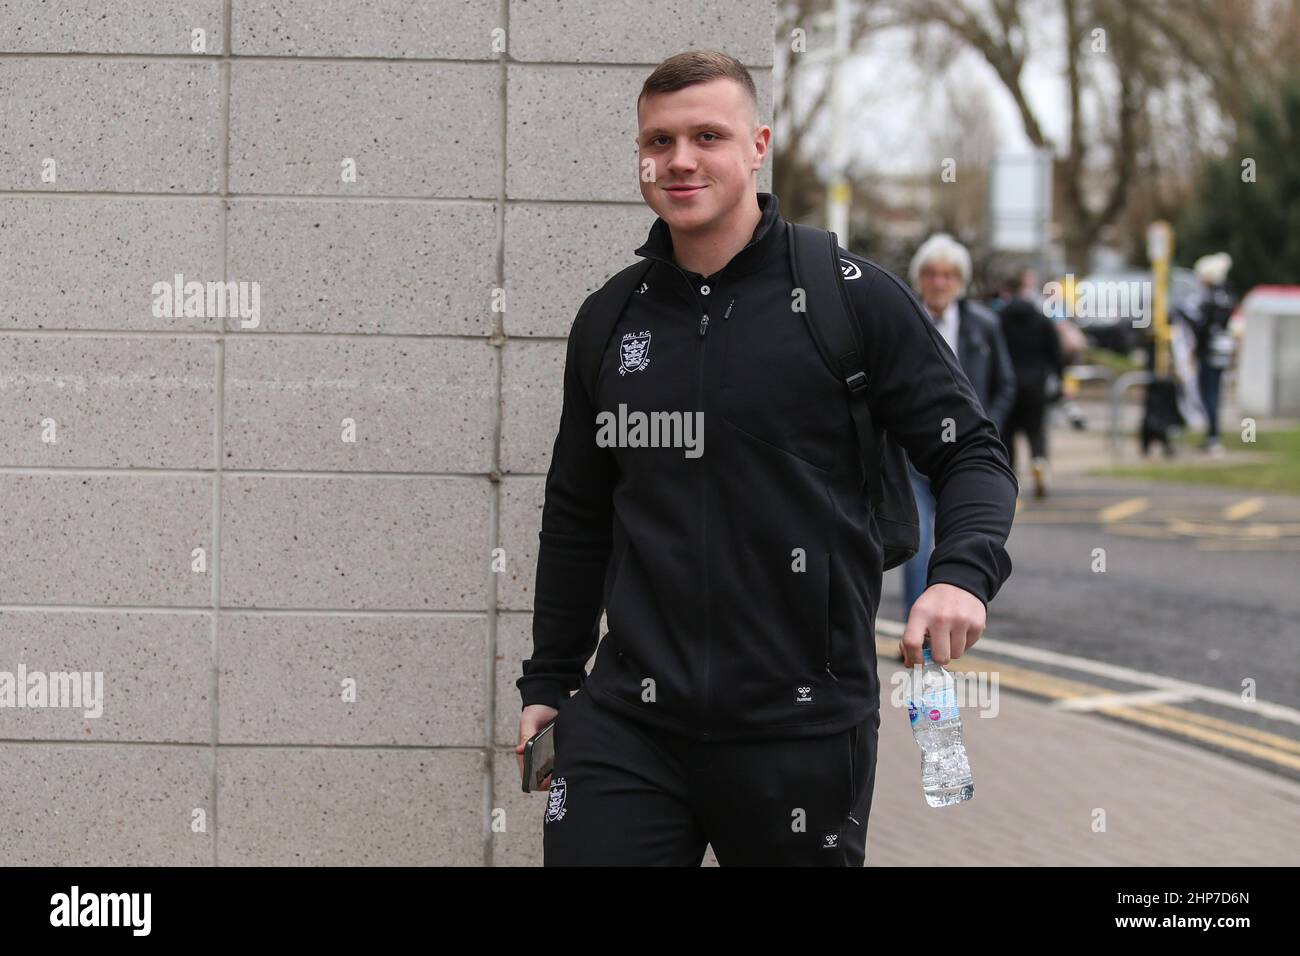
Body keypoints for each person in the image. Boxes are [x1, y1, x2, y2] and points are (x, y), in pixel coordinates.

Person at [515, 50, 1017, 866]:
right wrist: (549, 682)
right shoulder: (610, 319)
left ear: (758, 146)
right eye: (659, 140)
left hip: (805, 727)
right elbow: (578, 512)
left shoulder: (848, 297)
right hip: (629, 721)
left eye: (707, 135)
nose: (679, 159)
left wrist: (962, 574)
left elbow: (974, 455)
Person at [899, 234, 1016, 615]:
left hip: (963, 453)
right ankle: (918, 628)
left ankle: (944, 626)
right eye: (932, 274)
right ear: (920, 278)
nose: (939, 282)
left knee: (958, 544)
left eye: (949, 275)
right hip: (912, 452)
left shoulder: (984, 324)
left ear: (960, 281)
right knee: (917, 543)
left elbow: (1005, 383)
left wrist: (986, 429)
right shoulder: (901, 317)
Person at [997, 268, 1064, 497]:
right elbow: (1056, 353)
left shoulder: (998, 318)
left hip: (1007, 385)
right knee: (1035, 432)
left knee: (1007, 434)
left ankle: (1010, 475)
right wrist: (1060, 379)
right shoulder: (1041, 319)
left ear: (1007, 291)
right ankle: (1039, 463)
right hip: (1036, 384)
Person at [1180, 252, 1238, 456]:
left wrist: (1183, 316)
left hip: (1210, 351)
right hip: (1223, 350)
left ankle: (1213, 436)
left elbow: (1201, 327)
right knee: (1214, 393)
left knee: (1209, 393)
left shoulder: (1210, 298)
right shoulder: (1227, 294)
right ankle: (1213, 434)